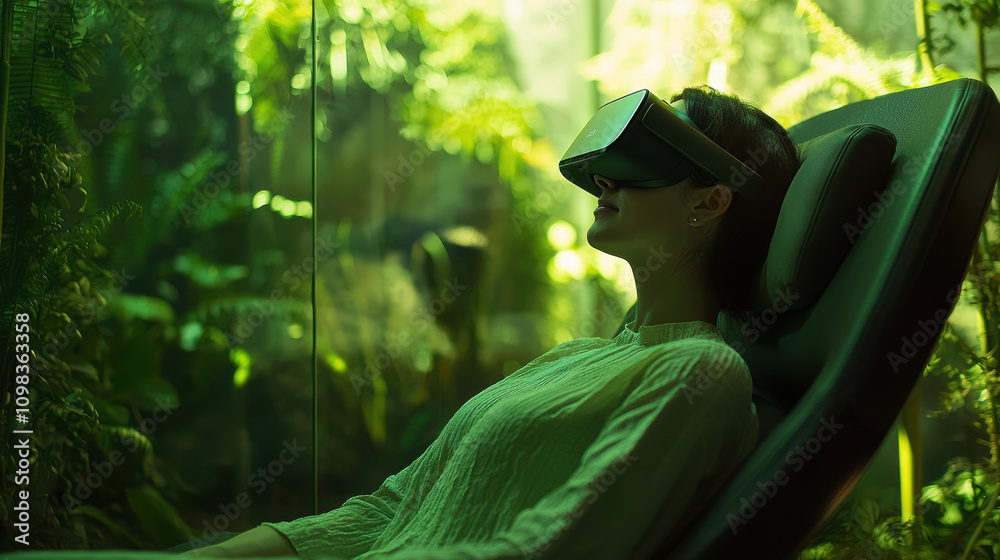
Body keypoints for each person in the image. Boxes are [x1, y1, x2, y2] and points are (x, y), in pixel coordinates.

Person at [10, 85, 800, 560]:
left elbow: (552, 552)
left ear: (710, 201)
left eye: (644, 154)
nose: (601, 175)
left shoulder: (701, 373)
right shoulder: (583, 356)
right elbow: (386, 511)